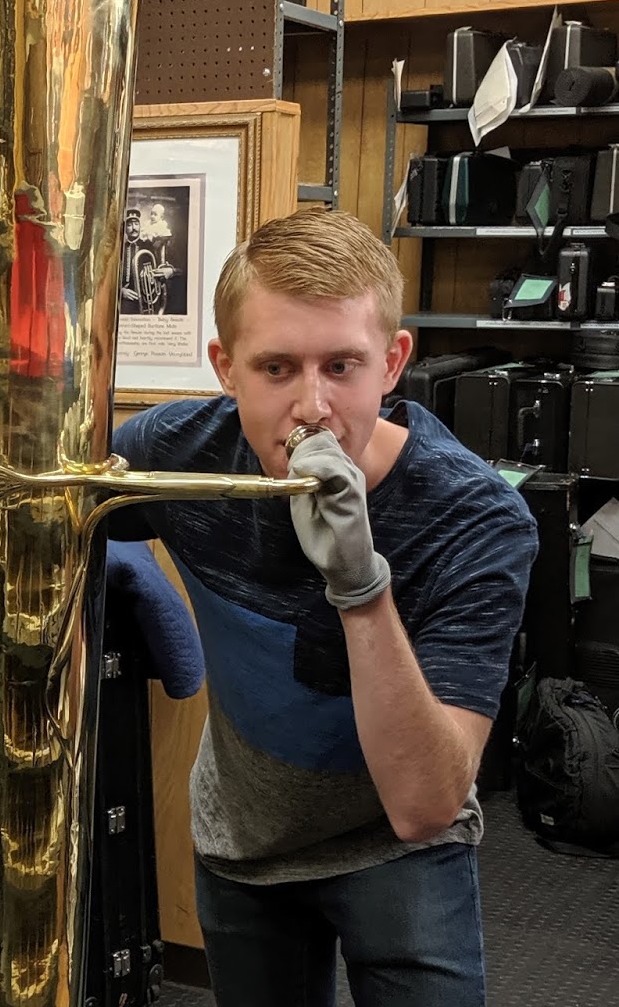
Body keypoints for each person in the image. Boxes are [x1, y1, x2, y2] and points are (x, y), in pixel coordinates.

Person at [111, 209, 537, 1007]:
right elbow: (53, 517)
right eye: (276, 369)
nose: (311, 406)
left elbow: (425, 806)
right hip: (246, 841)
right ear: (225, 366)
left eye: (342, 365)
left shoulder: (473, 518)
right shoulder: (174, 454)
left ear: (393, 362)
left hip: (400, 848)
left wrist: (359, 583)